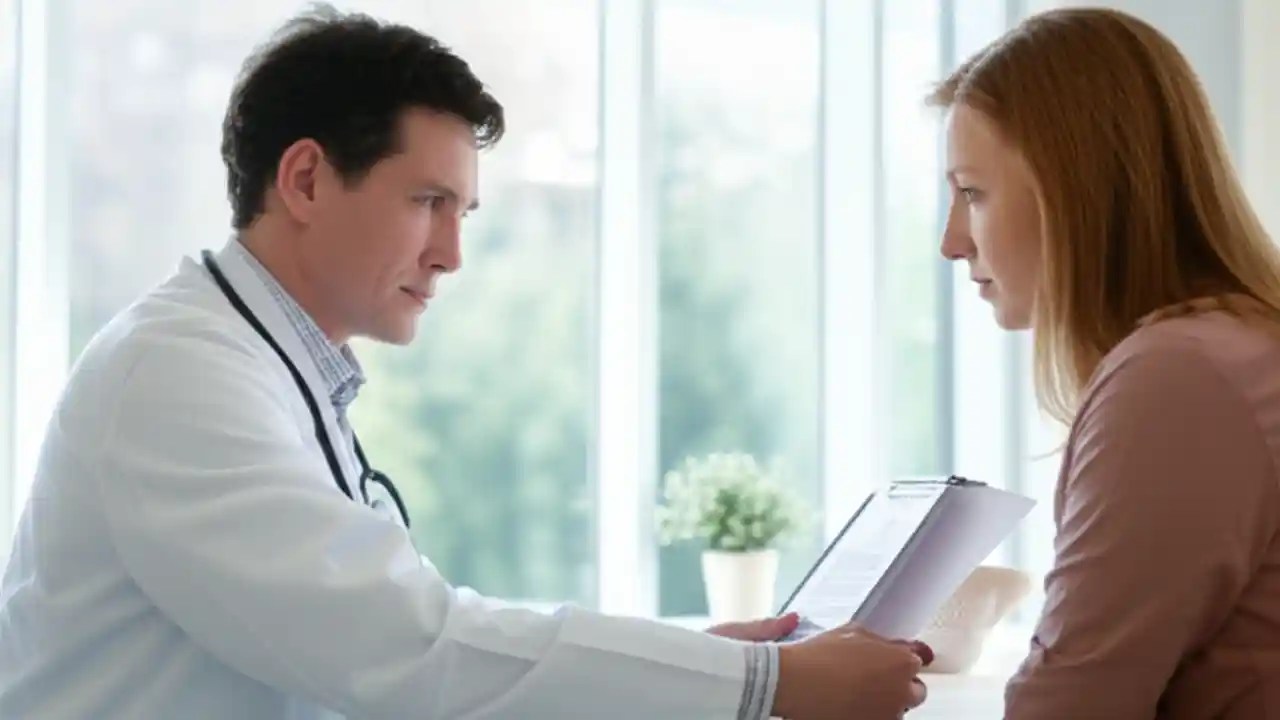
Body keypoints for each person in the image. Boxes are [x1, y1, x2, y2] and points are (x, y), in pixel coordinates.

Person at [0, 7, 929, 720]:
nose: (451, 254)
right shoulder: (178, 376)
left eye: (463, 214)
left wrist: (698, 666)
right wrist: (765, 682)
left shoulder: (259, 361)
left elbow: (419, 628)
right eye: (429, 202)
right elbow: (410, 646)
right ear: (307, 180)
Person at [932, 7, 1280, 718]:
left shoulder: (1180, 379)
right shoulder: (1237, 351)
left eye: (972, 193)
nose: (952, 241)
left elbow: (1070, 706)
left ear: (1074, 190)